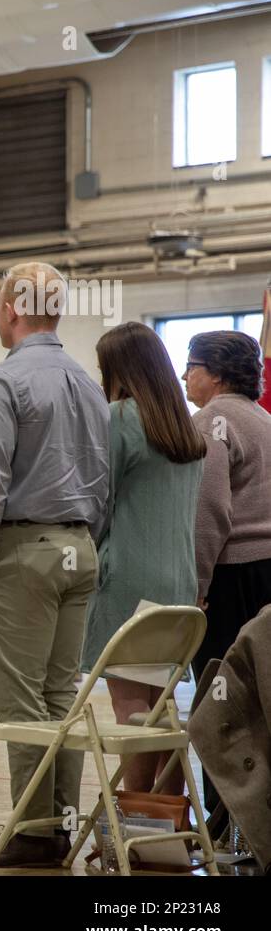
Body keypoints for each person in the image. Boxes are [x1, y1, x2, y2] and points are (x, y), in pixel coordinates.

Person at [0, 262, 109, 869]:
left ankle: (33, 834)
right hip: (79, 549)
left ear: (9, 311)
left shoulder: (1, 383)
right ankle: (59, 825)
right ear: (57, 311)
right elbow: (105, 478)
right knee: (63, 696)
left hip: (23, 553)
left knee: (21, 705)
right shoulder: (89, 383)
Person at [79, 323, 207, 795]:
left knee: (131, 712)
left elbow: (95, 500)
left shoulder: (118, 418)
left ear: (119, 369)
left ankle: (132, 818)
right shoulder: (183, 427)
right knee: (162, 710)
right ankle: (168, 817)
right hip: (178, 579)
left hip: (129, 577)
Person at [186, 328, 271, 821]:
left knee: (219, 701)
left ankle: (225, 819)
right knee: (263, 699)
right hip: (267, 575)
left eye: (191, 366)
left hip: (231, 574)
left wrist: (196, 587)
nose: (184, 376)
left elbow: (210, 510)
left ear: (215, 373)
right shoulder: (263, 418)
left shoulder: (210, 421)